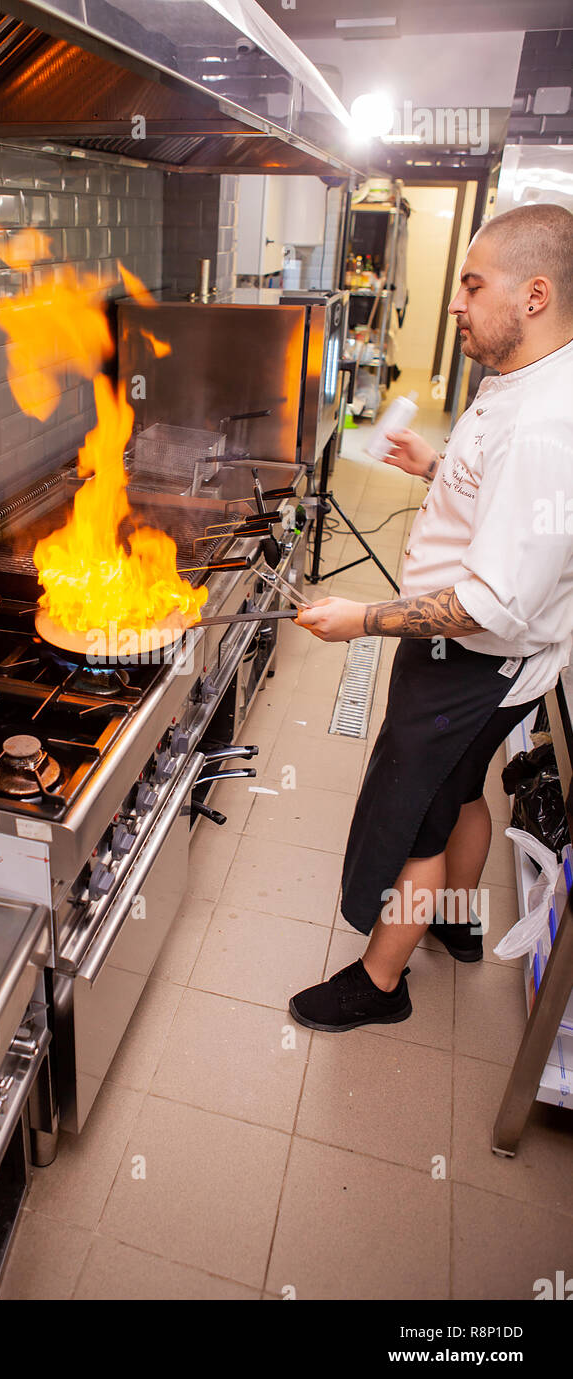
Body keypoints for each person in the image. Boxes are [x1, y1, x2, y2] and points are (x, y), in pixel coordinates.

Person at [288, 201, 573, 1032]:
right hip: (487, 663)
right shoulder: (528, 379)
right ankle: (454, 922)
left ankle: (381, 984)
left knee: (420, 812)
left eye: (472, 283)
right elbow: (510, 507)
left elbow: (488, 599)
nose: (454, 301)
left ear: (534, 294)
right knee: (463, 790)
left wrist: (364, 619)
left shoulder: (546, 424)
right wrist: (439, 468)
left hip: (476, 664)